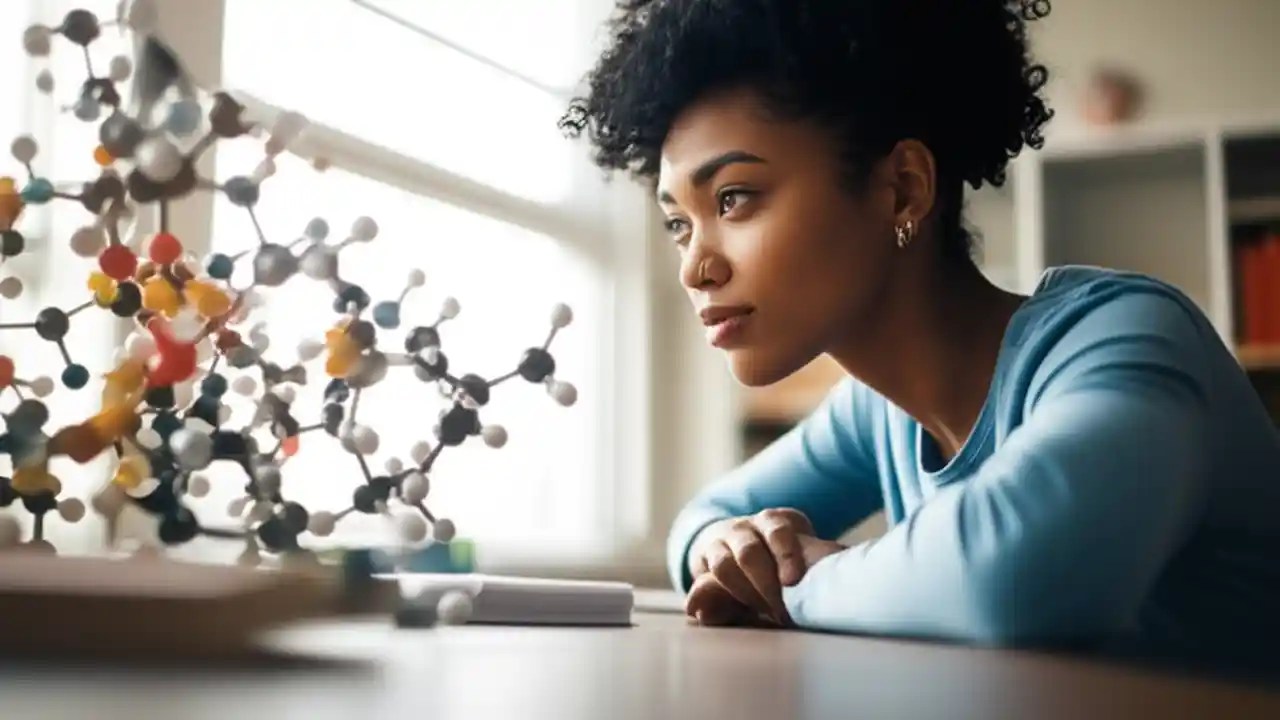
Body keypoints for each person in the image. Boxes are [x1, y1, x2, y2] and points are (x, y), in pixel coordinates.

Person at [560, 0, 1280, 665]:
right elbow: (704, 519)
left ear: (903, 187)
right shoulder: (879, 411)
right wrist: (726, 547)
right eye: (679, 223)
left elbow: (1010, 577)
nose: (695, 266)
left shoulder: (1127, 337)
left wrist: (800, 582)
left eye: (734, 198)